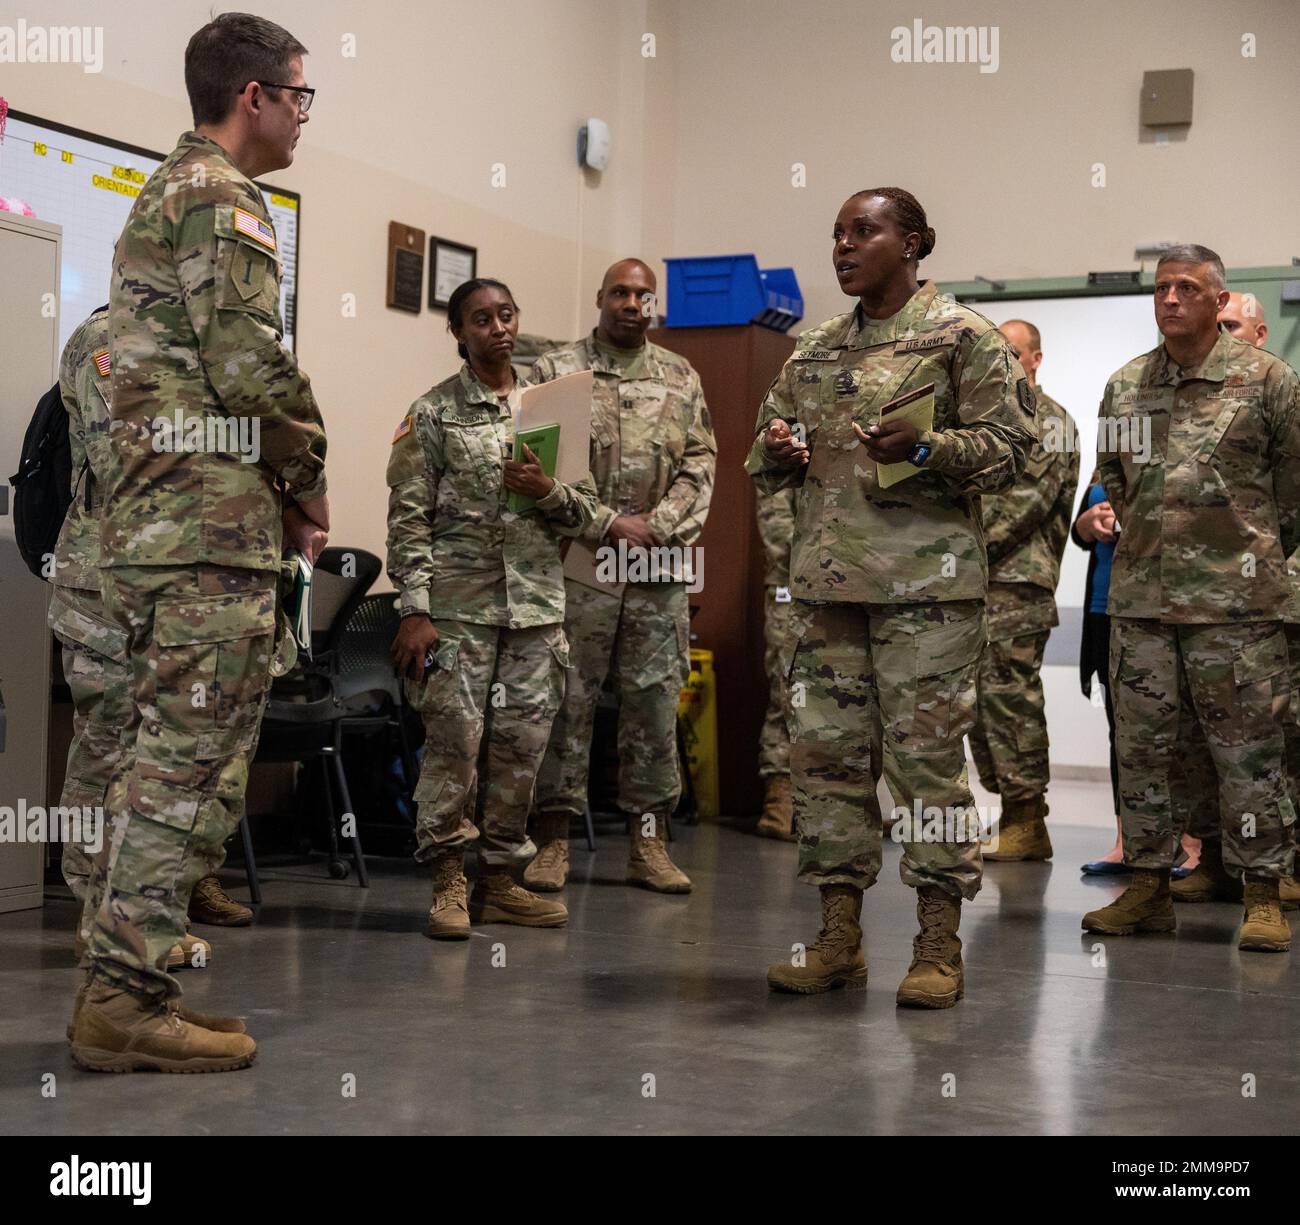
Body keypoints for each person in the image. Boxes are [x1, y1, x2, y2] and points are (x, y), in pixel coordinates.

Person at [69, 12, 329, 1074]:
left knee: (151, 771)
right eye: (301, 95)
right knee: (182, 774)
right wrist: (310, 475)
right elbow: (252, 369)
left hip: (156, 527)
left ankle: (121, 988)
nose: (307, 115)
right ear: (255, 96)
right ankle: (123, 1003)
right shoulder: (223, 198)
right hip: (202, 533)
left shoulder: (166, 192)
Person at [746, 188, 1035, 1007]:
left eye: (862, 231)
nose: (842, 246)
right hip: (830, 596)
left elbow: (1015, 449)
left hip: (928, 599)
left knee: (928, 773)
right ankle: (838, 939)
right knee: (828, 770)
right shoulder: (814, 350)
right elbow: (764, 460)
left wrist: (931, 444)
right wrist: (779, 447)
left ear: (913, 244)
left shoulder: (962, 339)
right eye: (836, 233)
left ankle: (939, 942)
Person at [1082, 247, 1300, 953]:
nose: (1170, 298)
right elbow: (1110, 475)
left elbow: (1293, 493)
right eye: (1161, 288)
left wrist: (1249, 553)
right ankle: (1147, 886)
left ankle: (1262, 890)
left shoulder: (1267, 381)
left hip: (1237, 609)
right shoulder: (1124, 387)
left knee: (1249, 753)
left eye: (1186, 288)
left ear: (1217, 299)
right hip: (1143, 602)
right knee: (1145, 750)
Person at [387, 279, 598, 938]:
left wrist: (548, 490)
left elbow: (587, 513)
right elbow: (408, 518)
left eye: (507, 314)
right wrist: (414, 609)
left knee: (522, 751)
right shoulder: (433, 413)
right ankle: (449, 879)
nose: (498, 327)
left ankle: (500, 881)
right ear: (460, 332)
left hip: (536, 611)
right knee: (456, 747)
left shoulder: (550, 410)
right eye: (481, 318)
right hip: (459, 612)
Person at [48, 305, 232, 977]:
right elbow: (121, 453)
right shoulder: (106, 338)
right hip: (106, 587)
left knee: (155, 749)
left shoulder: (197, 341)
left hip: (168, 583)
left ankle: (136, 912)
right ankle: (94, 913)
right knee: (108, 743)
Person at [523, 259, 716, 895]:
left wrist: (656, 526)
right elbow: (538, 466)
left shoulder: (680, 376)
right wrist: (607, 522)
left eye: (644, 295)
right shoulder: (559, 372)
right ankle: (552, 839)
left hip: (657, 563)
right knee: (567, 701)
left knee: (655, 703)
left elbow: (700, 463)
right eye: (621, 293)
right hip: (581, 559)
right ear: (601, 298)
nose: (634, 304)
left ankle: (649, 845)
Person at [1171, 293, 1300, 910]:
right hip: (1201, 603)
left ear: (1258, 330)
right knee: (1200, 740)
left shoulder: (1280, 393)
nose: (1220, 336)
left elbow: (1291, 500)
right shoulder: (1187, 400)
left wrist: (1273, 567)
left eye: (1229, 326)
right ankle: (1219, 861)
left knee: (1276, 741)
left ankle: (1280, 868)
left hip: (1274, 599)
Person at [970, 320, 1079, 860]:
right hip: (973, 584)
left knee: (1010, 701)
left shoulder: (1050, 423)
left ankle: (1026, 818)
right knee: (977, 706)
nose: (1006, 362)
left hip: (1017, 586)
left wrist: (949, 553)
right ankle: (1010, 812)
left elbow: (1020, 509)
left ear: (1035, 359)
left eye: (1014, 353)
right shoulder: (987, 419)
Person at [754, 487, 797, 839]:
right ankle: (778, 800)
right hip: (793, 583)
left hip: (859, 589)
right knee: (786, 689)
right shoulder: (791, 436)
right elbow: (777, 526)